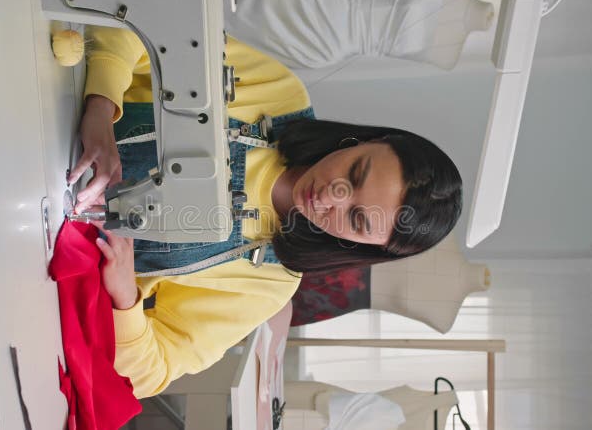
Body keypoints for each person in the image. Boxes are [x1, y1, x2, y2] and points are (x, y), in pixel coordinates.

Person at [67, 25, 463, 398]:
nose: (330, 197)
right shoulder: (278, 97)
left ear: (360, 247)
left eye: (356, 218)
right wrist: (102, 107)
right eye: (355, 172)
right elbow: (149, 22)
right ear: (359, 141)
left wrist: (124, 297)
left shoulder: (268, 283)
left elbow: (149, 373)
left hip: (43, 253)